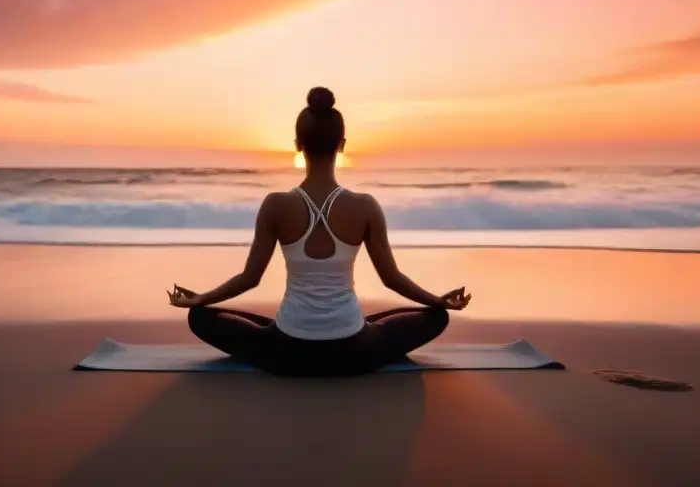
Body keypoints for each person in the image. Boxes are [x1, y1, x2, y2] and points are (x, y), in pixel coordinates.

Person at [167, 86, 472, 376]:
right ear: (342, 145)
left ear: (298, 145)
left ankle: (277, 330)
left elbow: (250, 279)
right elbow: (391, 279)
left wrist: (201, 299)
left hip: (287, 352)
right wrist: (437, 301)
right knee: (434, 317)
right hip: (354, 351)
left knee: (201, 317)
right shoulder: (365, 206)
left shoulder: (275, 205)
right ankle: (356, 327)